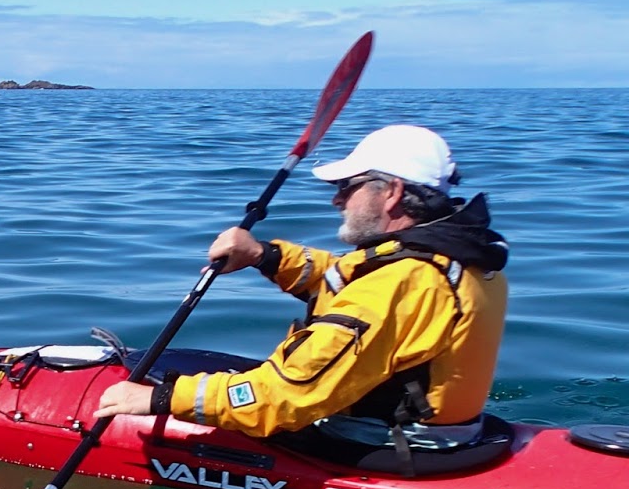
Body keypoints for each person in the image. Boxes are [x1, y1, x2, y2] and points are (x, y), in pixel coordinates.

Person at [93, 124, 511, 471]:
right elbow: (344, 278)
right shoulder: (455, 258)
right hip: (447, 432)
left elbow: (283, 398)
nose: (337, 199)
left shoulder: (398, 285)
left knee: (208, 383)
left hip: (376, 442)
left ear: (392, 192)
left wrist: (159, 398)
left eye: (349, 187)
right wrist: (265, 255)